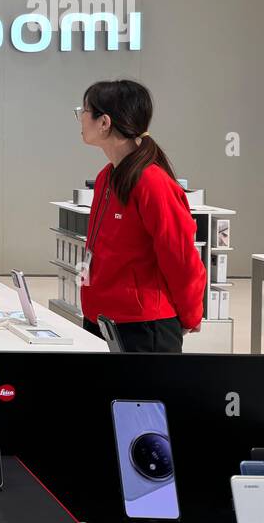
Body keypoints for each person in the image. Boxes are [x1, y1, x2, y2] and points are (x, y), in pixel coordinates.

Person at [76, 80, 204, 353]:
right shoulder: (106, 177)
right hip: (102, 319)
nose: (80, 118)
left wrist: (190, 314)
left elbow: (180, 257)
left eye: (84, 111)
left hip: (143, 328)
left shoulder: (152, 183)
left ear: (104, 122)